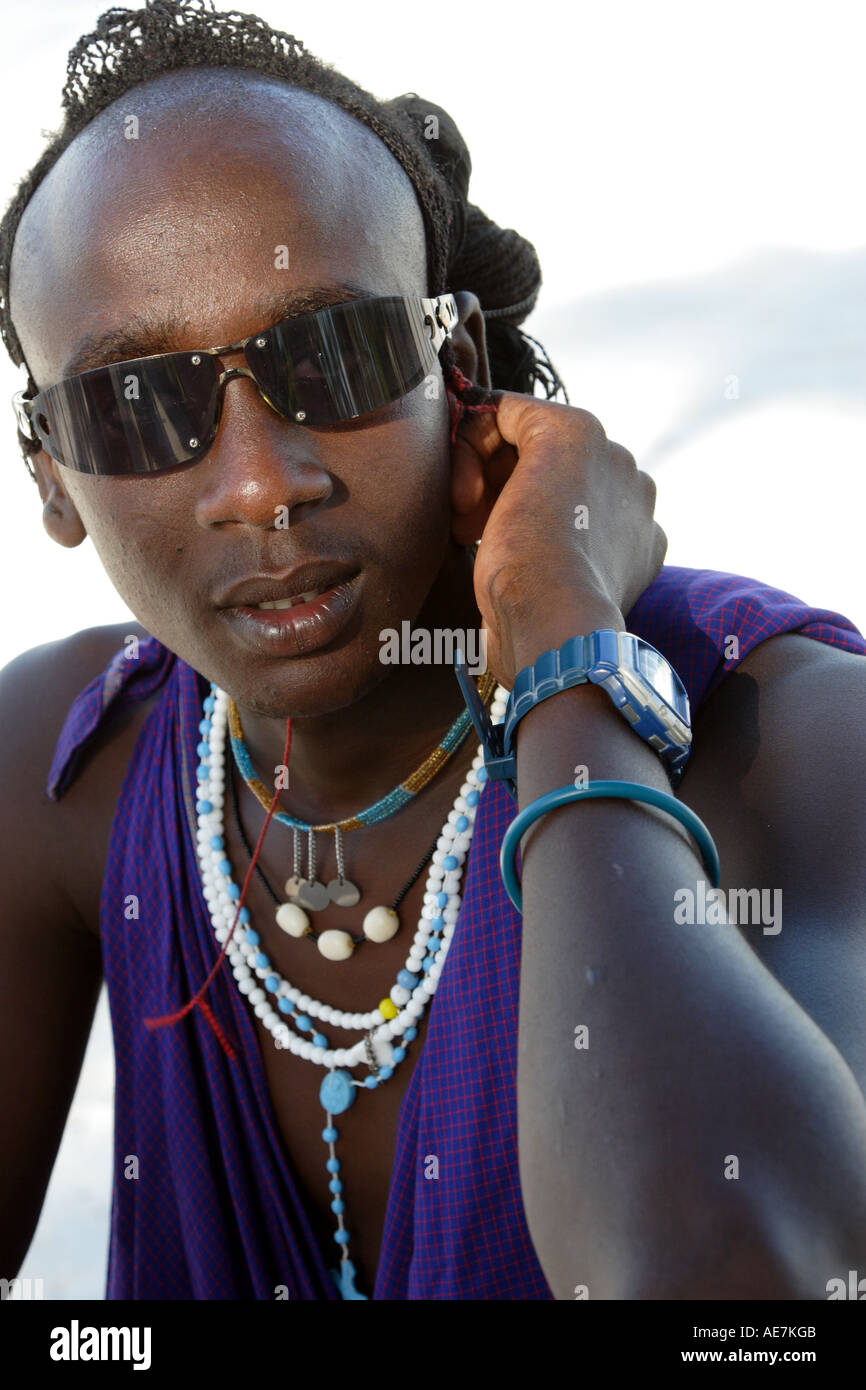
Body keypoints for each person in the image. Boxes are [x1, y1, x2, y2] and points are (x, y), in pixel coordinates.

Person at [1, 0, 865, 1302]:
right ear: (52, 479)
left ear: (452, 364)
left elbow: (729, 1284)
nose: (259, 484)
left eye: (332, 353)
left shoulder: (785, 737)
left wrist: (569, 659)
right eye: (140, 400)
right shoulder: (64, 769)